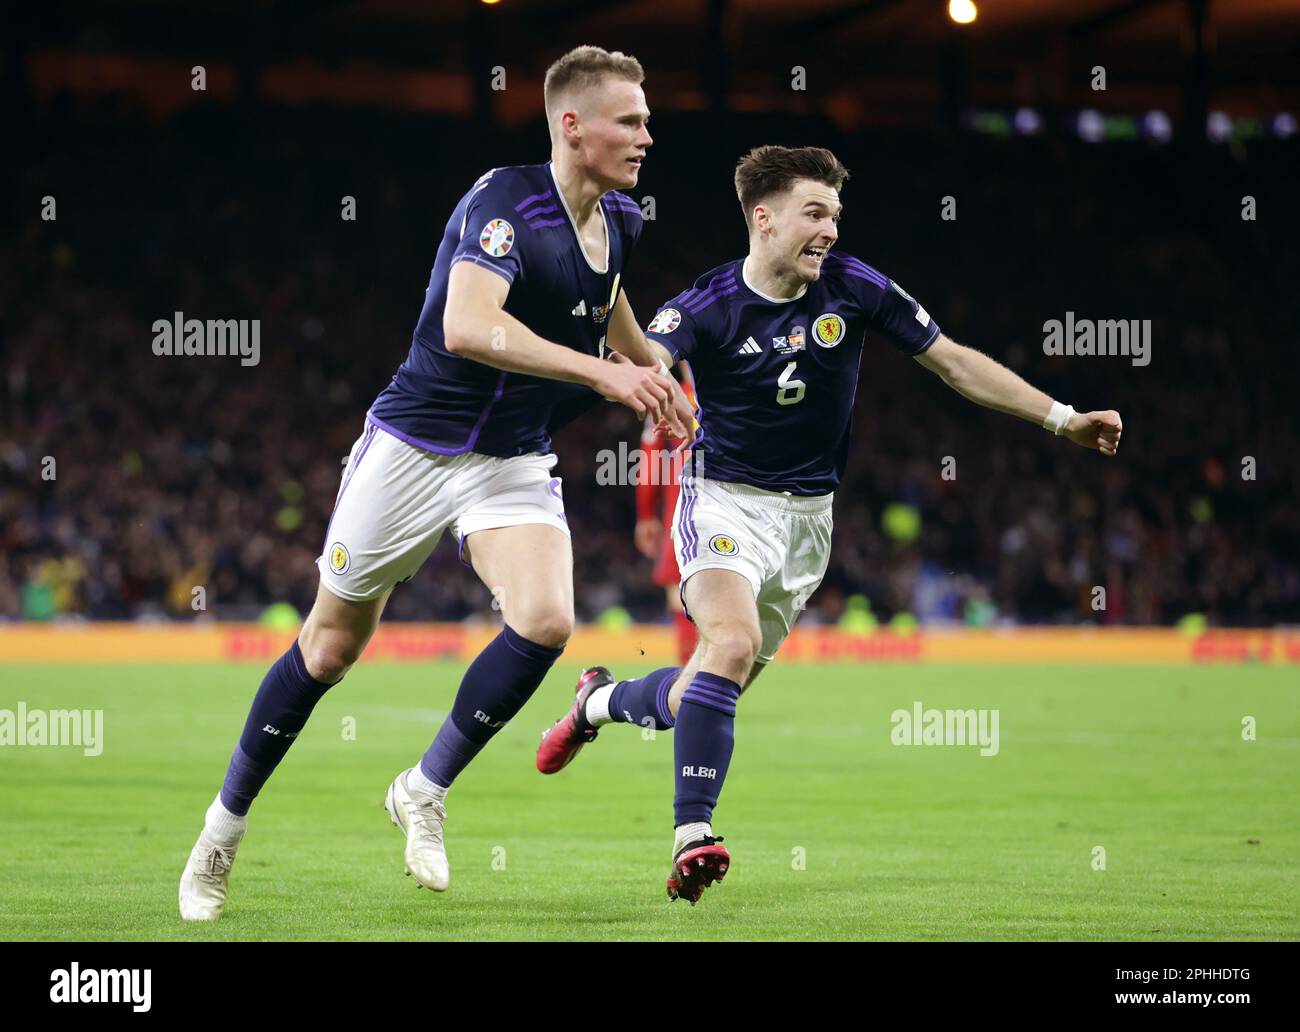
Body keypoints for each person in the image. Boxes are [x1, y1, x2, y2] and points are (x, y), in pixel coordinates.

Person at [180, 45, 692, 920]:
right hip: (417, 445)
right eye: (631, 120)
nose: (649, 133)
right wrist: (603, 376)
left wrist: (657, 376)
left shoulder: (624, 221)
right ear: (572, 126)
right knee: (329, 650)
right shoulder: (503, 201)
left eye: (646, 119)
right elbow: (467, 324)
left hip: (512, 456)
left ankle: (423, 788)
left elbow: (606, 300)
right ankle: (219, 838)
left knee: (545, 621)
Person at [536, 144, 1122, 905]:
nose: (831, 231)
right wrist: (637, 377)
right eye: (815, 214)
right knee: (731, 642)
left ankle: (596, 702)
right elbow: (645, 358)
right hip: (723, 502)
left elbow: (954, 363)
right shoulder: (708, 305)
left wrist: (1063, 418)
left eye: (836, 216)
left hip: (810, 522)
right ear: (764, 218)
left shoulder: (857, 288)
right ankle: (692, 835)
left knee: (707, 686)